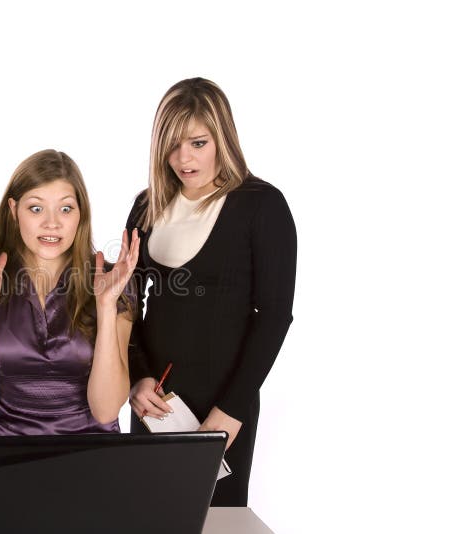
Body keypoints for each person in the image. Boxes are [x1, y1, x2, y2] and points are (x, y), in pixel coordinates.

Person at [126, 78, 296, 506]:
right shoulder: (146, 206)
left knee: (216, 520)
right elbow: (125, 304)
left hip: (223, 407)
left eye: (198, 143)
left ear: (223, 138)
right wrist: (136, 377)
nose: (183, 159)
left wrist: (233, 408)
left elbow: (274, 316)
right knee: (144, 515)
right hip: (155, 403)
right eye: (172, 145)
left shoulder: (262, 205)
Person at [0, 149, 140, 435]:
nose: (52, 223)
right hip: (2, 453)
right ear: (14, 210)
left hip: (92, 454)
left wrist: (105, 306)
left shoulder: (113, 281)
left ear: (81, 213)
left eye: (65, 209)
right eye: (36, 208)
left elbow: (106, 410)